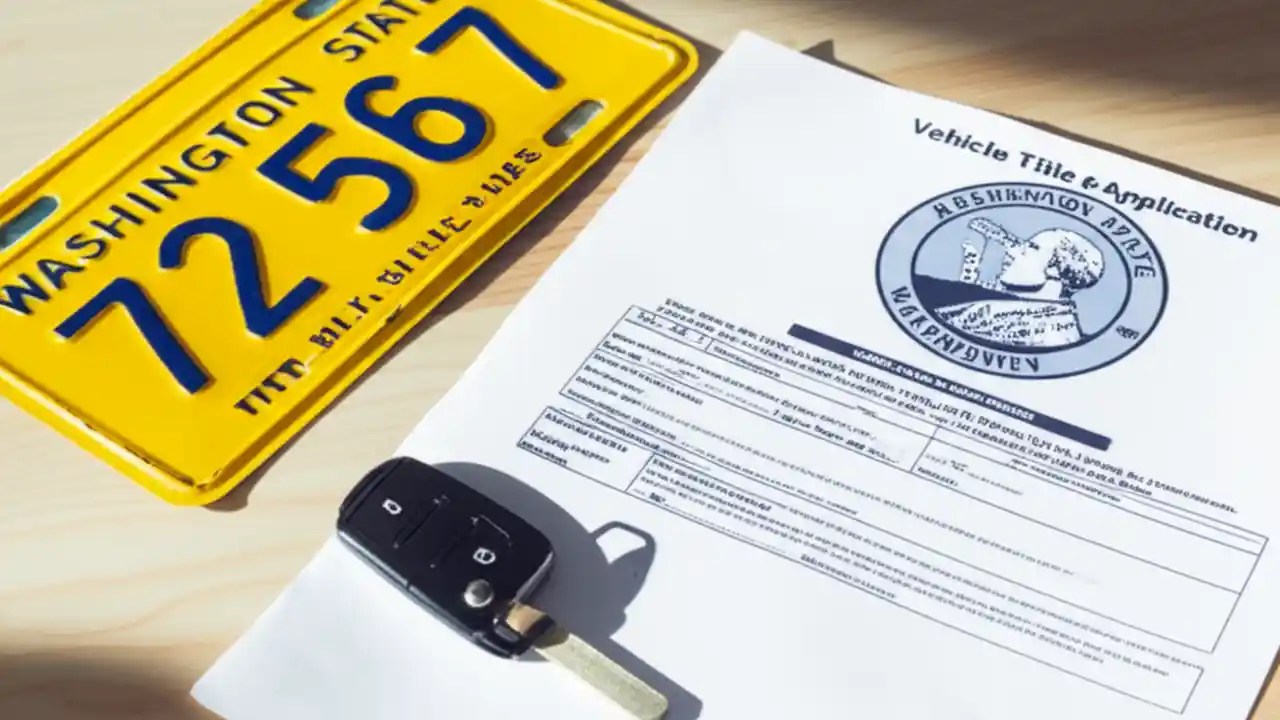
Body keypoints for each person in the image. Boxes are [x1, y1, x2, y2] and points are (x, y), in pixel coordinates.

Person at [914, 218, 1106, 349]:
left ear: (1055, 270)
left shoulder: (1038, 337)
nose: (1011, 252)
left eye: (1031, 249)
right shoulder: (1048, 322)